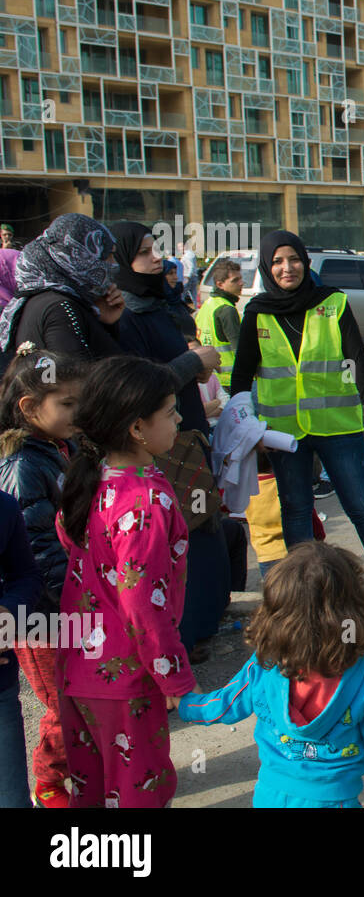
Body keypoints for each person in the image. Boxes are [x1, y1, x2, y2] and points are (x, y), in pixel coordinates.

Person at [229, 230, 364, 617]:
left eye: (293, 259)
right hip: (283, 435)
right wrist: (245, 427)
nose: (286, 267)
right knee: (295, 511)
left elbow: (357, 363)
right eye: (277, 261)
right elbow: (241, 377)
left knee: (361, 506)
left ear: (305, 262)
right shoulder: (257, 311)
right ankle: (305, 598)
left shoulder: (332, 302)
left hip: (338, 428)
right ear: (266, 266)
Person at [178, 542, 364, 808]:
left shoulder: (263, 664)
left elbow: (222, 706)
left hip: (269, 798)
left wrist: (183, 703)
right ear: (353, 608)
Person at [56, 356, 196, 807]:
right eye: (171, 411)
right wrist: (173, 677)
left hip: (79, 669)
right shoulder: (144, 502)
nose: (180, 419)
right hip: (126, 678)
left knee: (91, 791)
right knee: (140, 792)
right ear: (137, 428)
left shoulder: (92, 482)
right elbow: (143, 605)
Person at [110, 222, 230, 655]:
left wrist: (196, 363)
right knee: (181, 532)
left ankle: (205, 622)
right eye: (144, 253)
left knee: (201, 523)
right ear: (122, 262)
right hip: (162, 442)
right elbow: (140, 380)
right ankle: (185, 634)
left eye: (155, 249)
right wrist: (188, 361)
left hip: (186, 428)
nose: (157, 259)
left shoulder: (158, 302)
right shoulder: (125, 314)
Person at [0, 345, 84, 807]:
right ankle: (50, 780)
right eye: (67, 404)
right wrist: (73, 601)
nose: (78, 411)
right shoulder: (21, 466)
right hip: (44, 616)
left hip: (69, 604)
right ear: (29, 408)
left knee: (79, 697)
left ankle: (80, 769)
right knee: (64, 703)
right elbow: (34, 552)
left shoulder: (58, 448)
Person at [0, 214, 124, 363]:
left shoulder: (51, 301)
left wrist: (105, 322)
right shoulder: (59, 308)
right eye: (108, 255)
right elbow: (78, 378)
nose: (113, 264)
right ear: (80, 257)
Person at [0, 486, 41, 808]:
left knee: (13, 799)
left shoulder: (4, 506)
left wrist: (9, 611)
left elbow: (25, 575)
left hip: (1, 685)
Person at [194, 257, 243, 392]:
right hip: (228, 379)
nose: (241, 283)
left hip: (210, 377)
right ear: (220, 284)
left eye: (240, 278)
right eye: (235, 280)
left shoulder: (208, 303)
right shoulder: (227, 310)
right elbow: (239, 349)